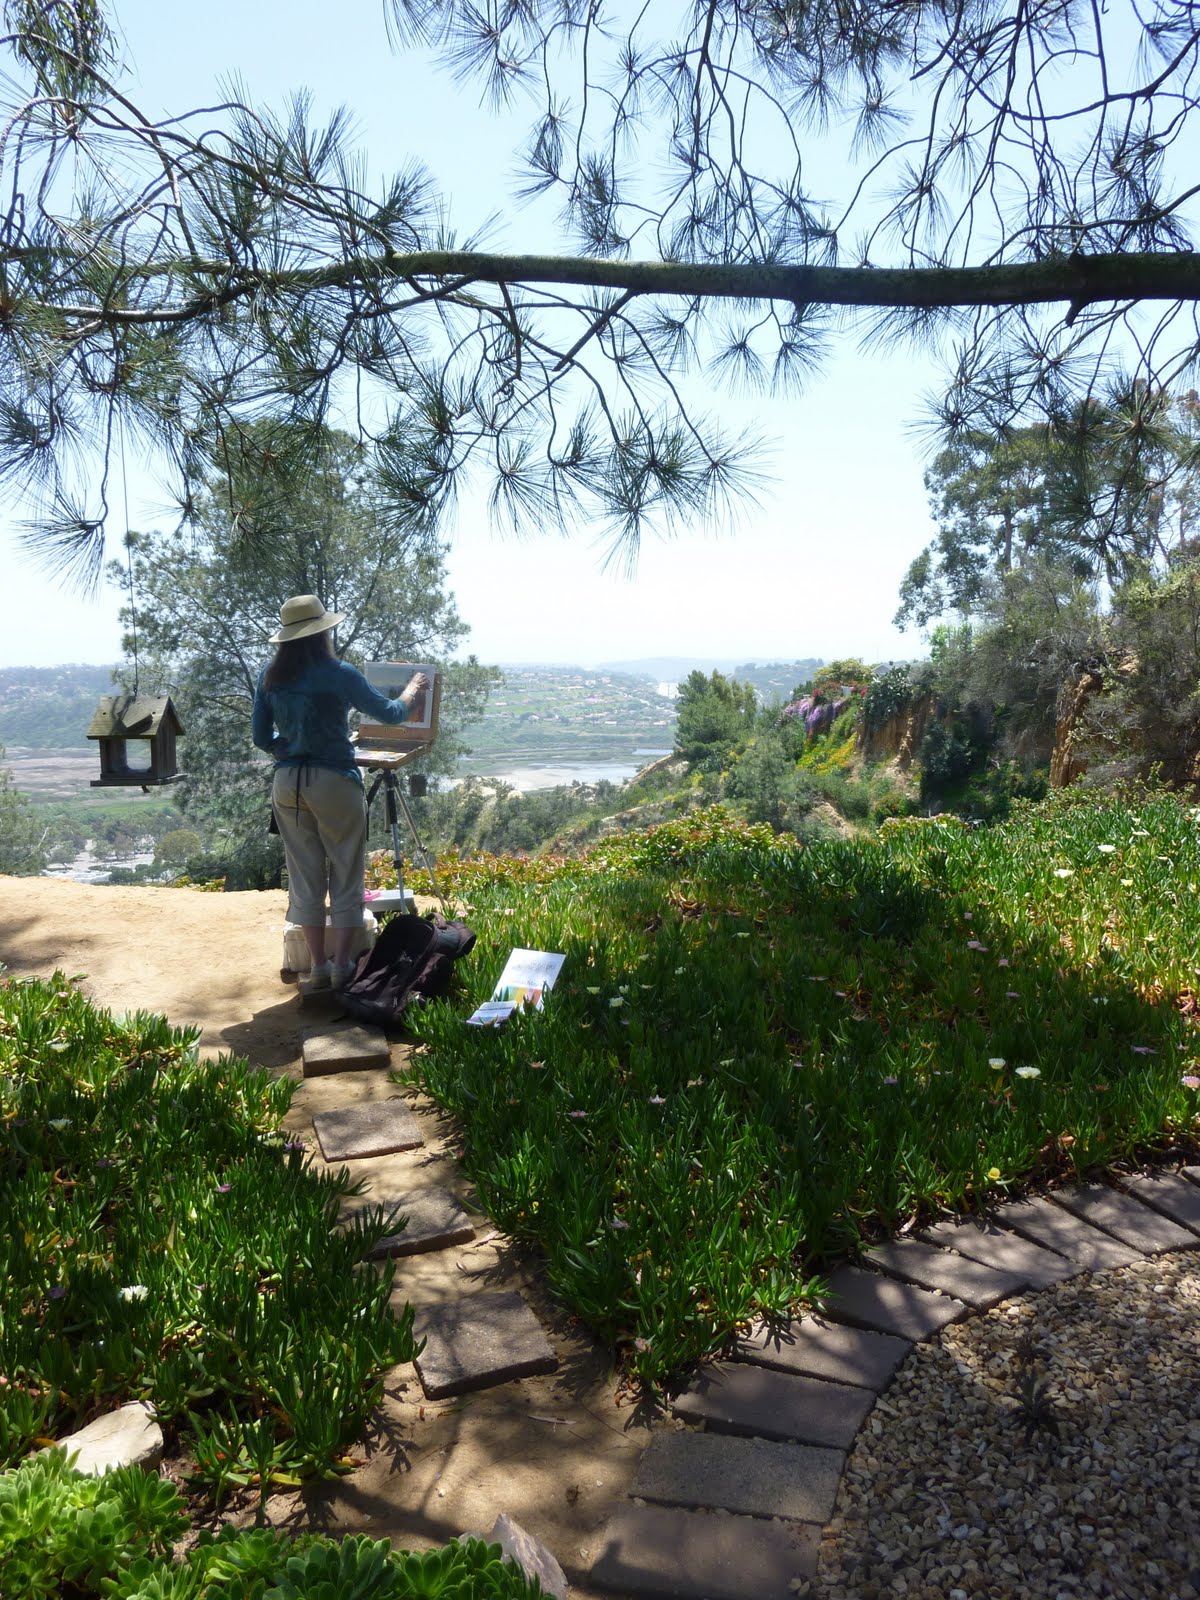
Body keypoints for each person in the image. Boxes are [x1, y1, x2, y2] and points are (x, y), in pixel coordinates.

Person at [252, 594, 430, 990]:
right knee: (347, 869)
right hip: (333, 781)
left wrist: (291, 749)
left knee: (304, 875)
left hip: (287, 784)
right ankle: (343, 966)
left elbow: (261, 737)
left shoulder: (271, 677)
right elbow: (391, 713)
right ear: (322, 633)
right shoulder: (338, 672)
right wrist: (413, 691)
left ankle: (317, 968)